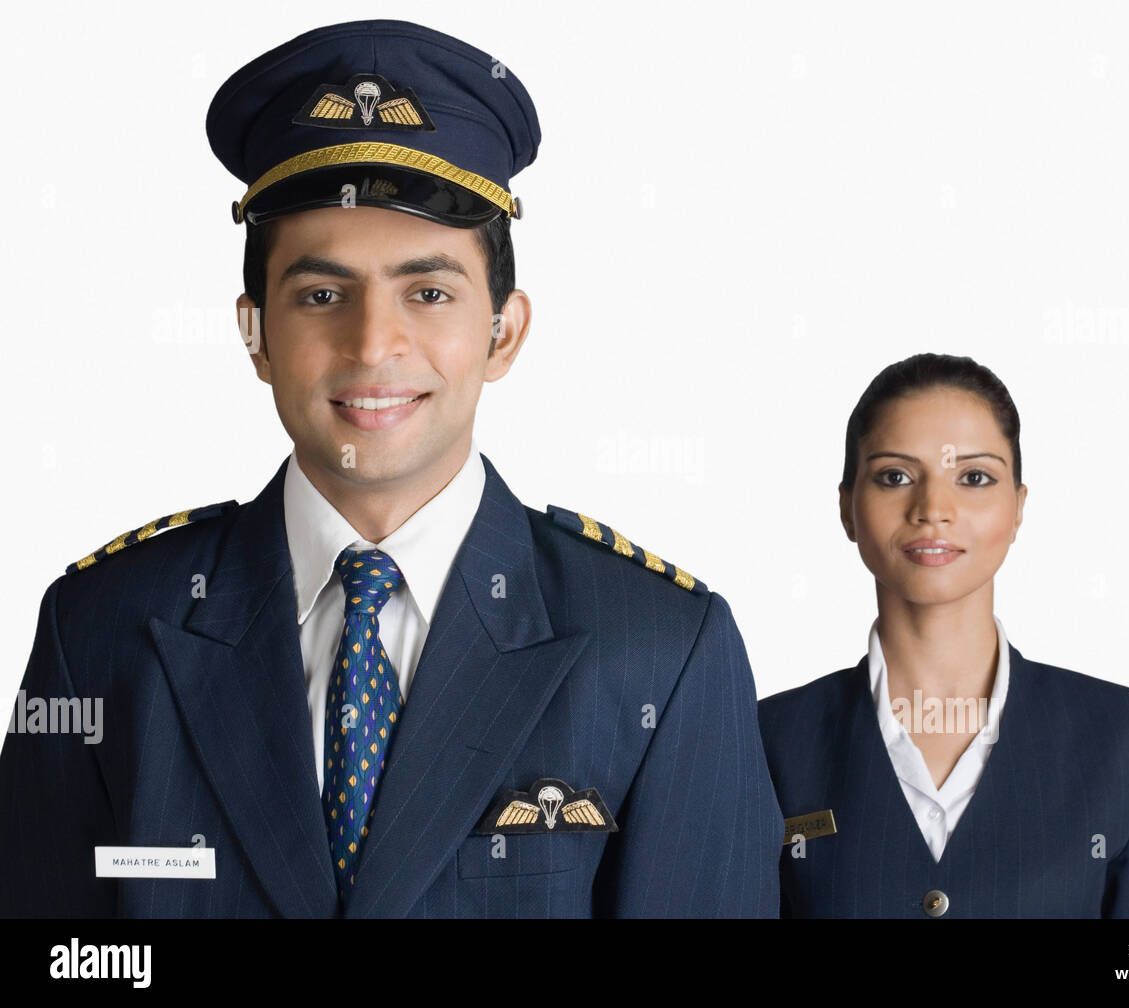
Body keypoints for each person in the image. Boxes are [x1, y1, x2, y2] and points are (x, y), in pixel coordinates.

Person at [0, 18, 782, 918]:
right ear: (255, 332)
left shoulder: (661, 651)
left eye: (429, 292)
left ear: (505, 330)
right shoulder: (99, 632)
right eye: (322, 294)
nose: (373, 345)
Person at [758, 353, 1129, 918]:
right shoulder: (760, 743)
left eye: (974, 477)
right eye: (895, 476)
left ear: (1018, 508)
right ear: (847, 508)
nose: (933, 510)